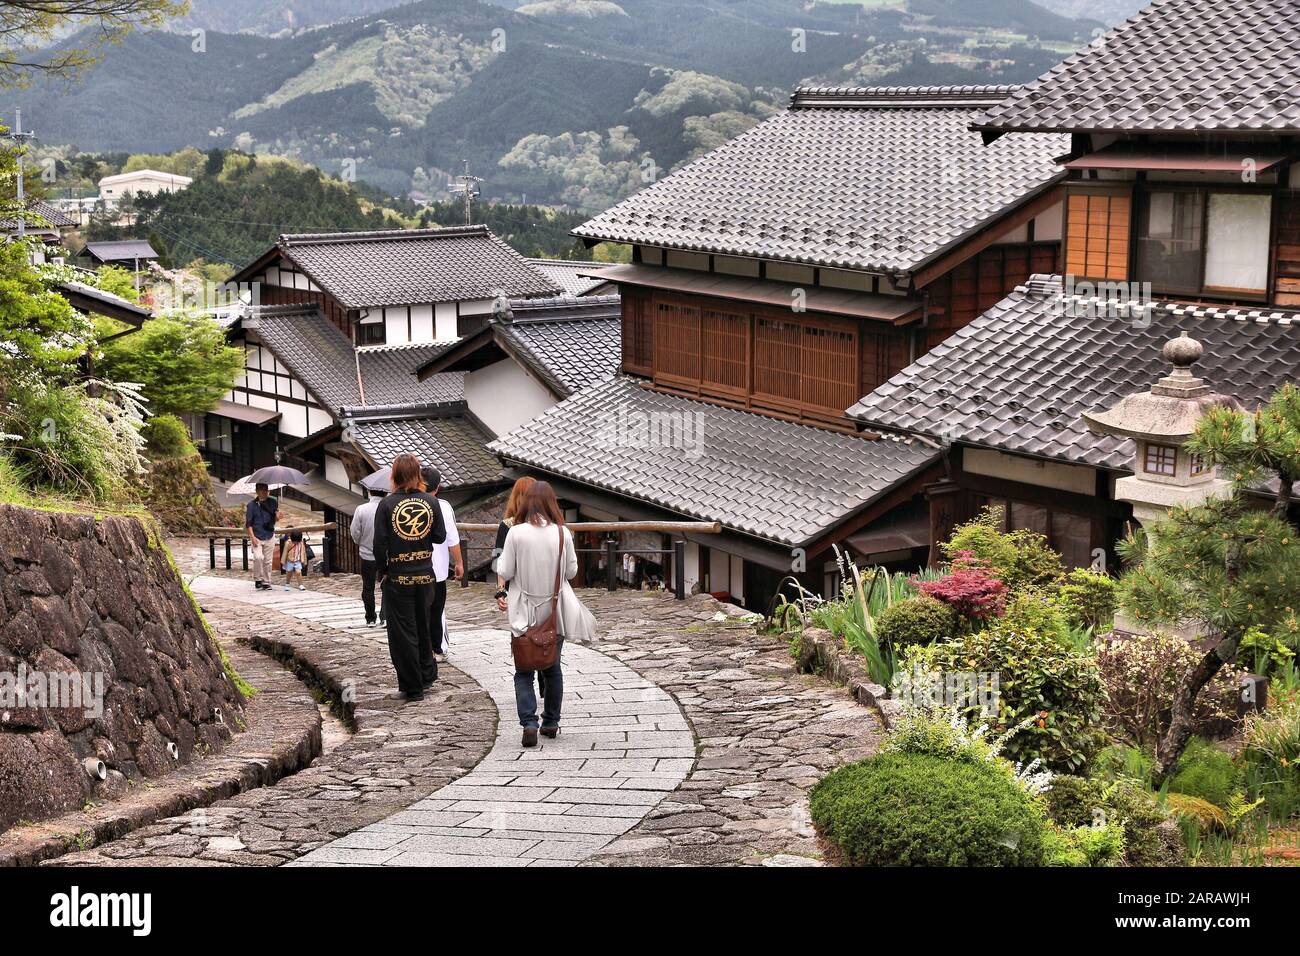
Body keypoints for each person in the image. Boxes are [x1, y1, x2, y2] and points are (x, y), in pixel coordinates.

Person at [495, 481, 595, 747]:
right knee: (552, 666)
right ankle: (550, 722)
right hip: (555, 609)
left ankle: (529, 722)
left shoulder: (516, 533)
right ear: (552, 503)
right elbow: (572, 572)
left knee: (523, 669)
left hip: (524, 609)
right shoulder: (563, 533)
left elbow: (505, 569)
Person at [372, 454, 446, 701]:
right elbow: (439, 537)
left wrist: (383, 571)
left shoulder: (387, 504)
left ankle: (412, 685)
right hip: (426, 575)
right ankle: (426, 675)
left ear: (394, 475)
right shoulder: (431, 502)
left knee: (403, 632)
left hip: (399, 577)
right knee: (423, 625)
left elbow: (379, 543)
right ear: (417, 474)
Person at [421, 466, 463, 658]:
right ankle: (436, 649)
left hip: (413, 568)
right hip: (437, 569)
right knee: (436, 610)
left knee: (419, 611)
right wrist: (459, 563)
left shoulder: (406, 504)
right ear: (437, 487)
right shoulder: (443, 506)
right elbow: (452, 539)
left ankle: (421, 649)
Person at [351, 488, 386, 626]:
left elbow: (355, 532)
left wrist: (361, 543)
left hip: (367, 554)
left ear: (370, 492)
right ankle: (385, 616)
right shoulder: (388, 507)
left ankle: (370, 618)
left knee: (368, 587)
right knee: (387, 586)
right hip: (386, 554)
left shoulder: (361, 509)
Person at [245, 483, 278, 591]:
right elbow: (248, 523)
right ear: (257, 491)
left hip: (269, 534)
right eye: (262, 490)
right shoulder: (251, 505)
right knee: (258, 557)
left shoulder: (273, 502)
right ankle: (258, 578)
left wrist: (278, 517)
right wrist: (252, 537)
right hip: (257, 536)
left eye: (266, 490)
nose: (265, 492)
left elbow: (275, 517)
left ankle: (266, 582)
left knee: (268, 561)